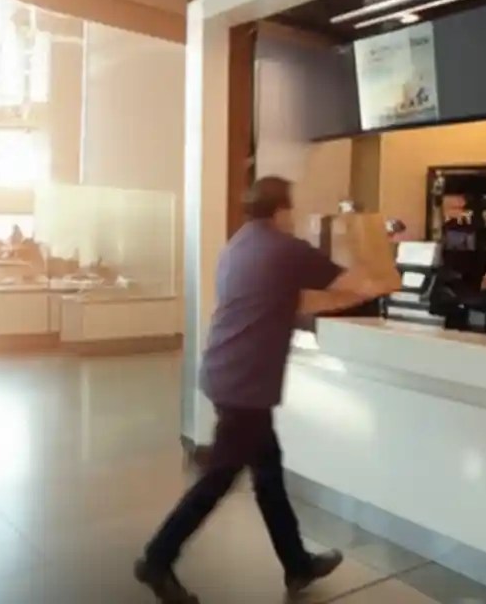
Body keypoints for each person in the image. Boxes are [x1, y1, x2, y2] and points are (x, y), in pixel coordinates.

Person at [134, 177, 395, 603]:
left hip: (227, 374)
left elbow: (293, 302)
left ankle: (297, 565)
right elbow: (363, 285)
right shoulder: (285, 248)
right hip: (246, 385)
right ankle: (156, 560)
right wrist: (383, 265)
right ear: (283, 210)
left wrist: (341, 298)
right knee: (218, 478)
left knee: (268, 474)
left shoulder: (239, 245)